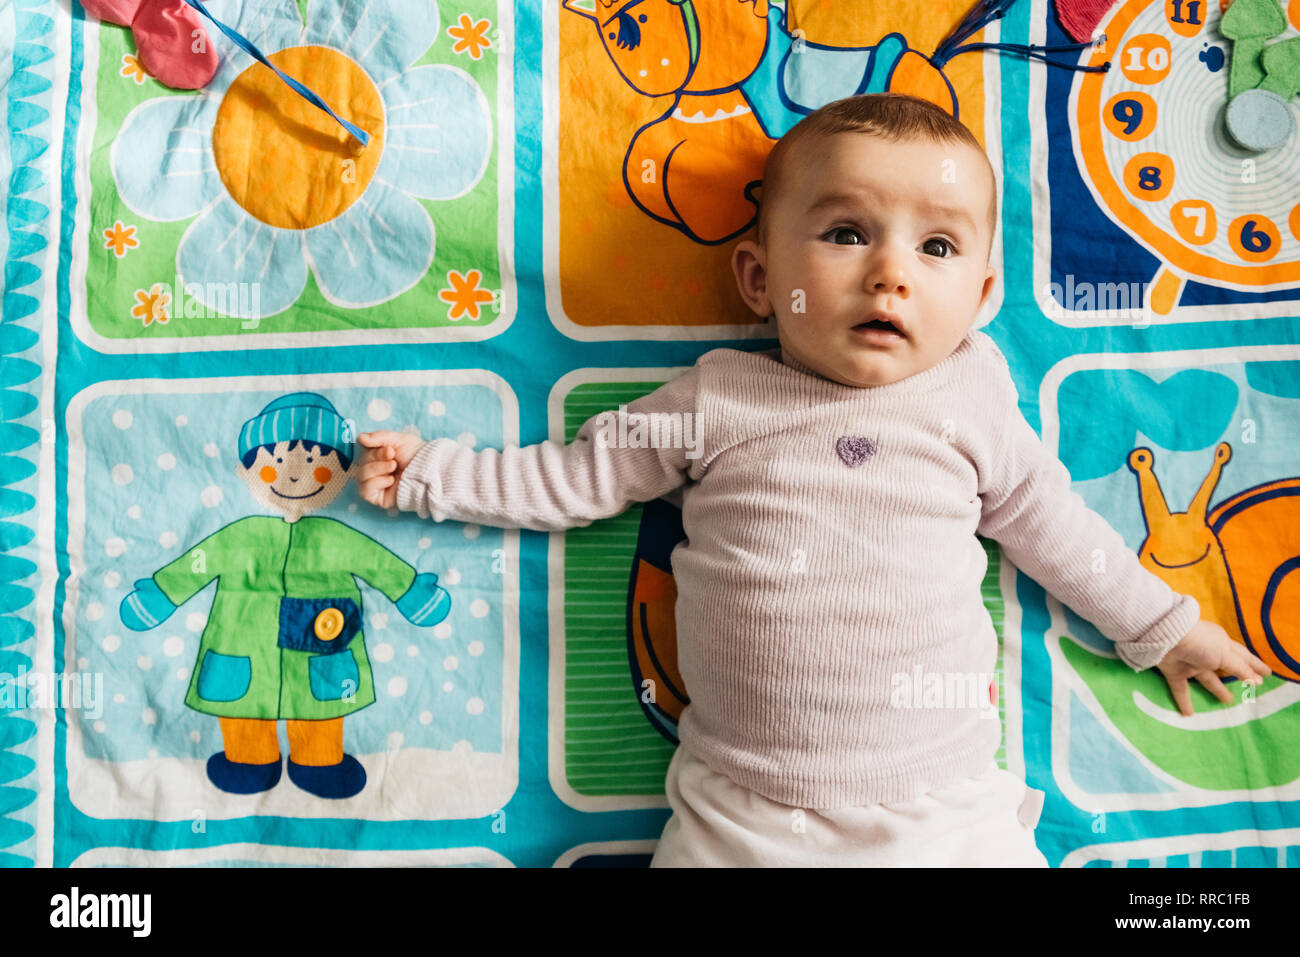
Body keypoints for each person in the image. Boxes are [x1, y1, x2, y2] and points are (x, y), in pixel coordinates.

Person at [354, 93, 1270, 865]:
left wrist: (1164, 629)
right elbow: (573, 477)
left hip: (941, 811)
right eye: (845, 233)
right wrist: (435, 473)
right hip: (744, 816)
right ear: (758, 276)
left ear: (984, 298)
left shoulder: (972, 400)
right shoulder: (717, 400)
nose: (889, 275)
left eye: (937, 250)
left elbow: (1057, 529)